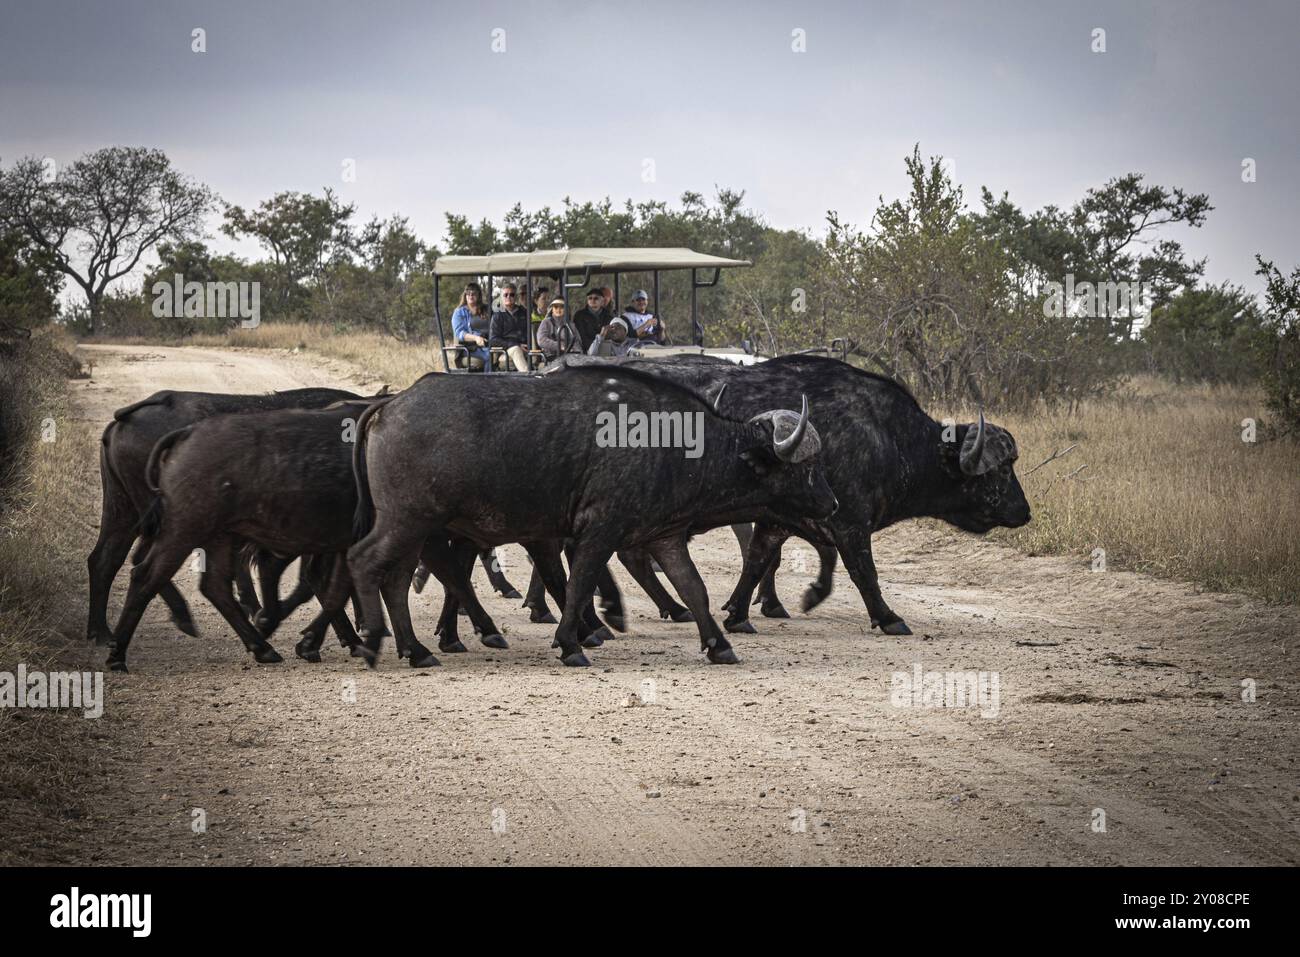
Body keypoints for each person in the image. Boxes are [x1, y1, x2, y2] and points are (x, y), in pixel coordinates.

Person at [488, 283, 531, 371]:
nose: (508, 297)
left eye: (511, 294)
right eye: (505, 295)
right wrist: (516, 344)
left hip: (526, 347)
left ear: (516, 297)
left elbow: (529, 332)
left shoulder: (524, 312)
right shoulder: (497, 315)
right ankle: (528, 377)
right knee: (516, 350)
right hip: (507, 350)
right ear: (501, 297)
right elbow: (493, 339)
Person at [450, 282, 491, 369]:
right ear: (465, 295)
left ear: (479, 295)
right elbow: (459, 334)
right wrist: (476, 338)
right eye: (468, 293)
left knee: (497, 353)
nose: (470, 296)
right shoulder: (459, 312)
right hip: (468, 348)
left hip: (486, 345)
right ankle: (487, 381)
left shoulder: (486, 310)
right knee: (489, 356)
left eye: (473, 294)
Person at [537, 297, 581, 361]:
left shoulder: (571, 325)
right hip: (550, 357)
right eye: (556, 307)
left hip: (570, 356)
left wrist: (577, 352)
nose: (558, 309)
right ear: (552, 309)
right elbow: (541, 340)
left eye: (562, 307)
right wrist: (559, 346)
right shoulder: (546, 322)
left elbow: (577, 341)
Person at [572, 287, 609, 352]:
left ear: (602, 301)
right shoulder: (579, 315)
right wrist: (593, 347)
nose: (592, 300)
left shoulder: (609, 316)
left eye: (596, 298)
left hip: (605, 350)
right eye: (590, 298)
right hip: (585, 350)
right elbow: (581, 336)